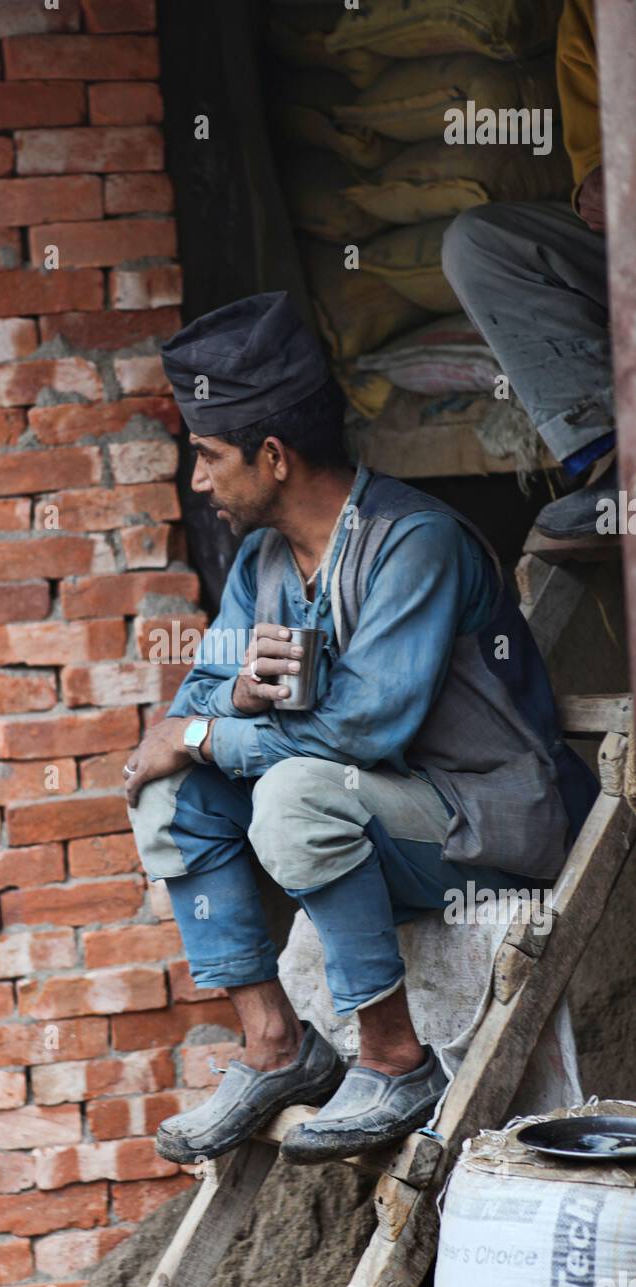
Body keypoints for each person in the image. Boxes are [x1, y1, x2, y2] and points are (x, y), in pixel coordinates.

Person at [123, 290, 598, 1165]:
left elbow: (357, 733)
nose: (197, 480)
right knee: (173, 795)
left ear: (272, 455)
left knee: (297, 792)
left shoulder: (413, 542)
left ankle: (393, 1058)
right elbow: (197, 698)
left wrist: (202, 733)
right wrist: (228, 707)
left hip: (482, 821)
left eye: (207, 456)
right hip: (377, 825)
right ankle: (277, 1047)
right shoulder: (263, 558)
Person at [442, 0, 615, 539]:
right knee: (480, 245)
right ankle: (618, 459)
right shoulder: (592, 14)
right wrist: (596, 186)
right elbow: (594, 166)